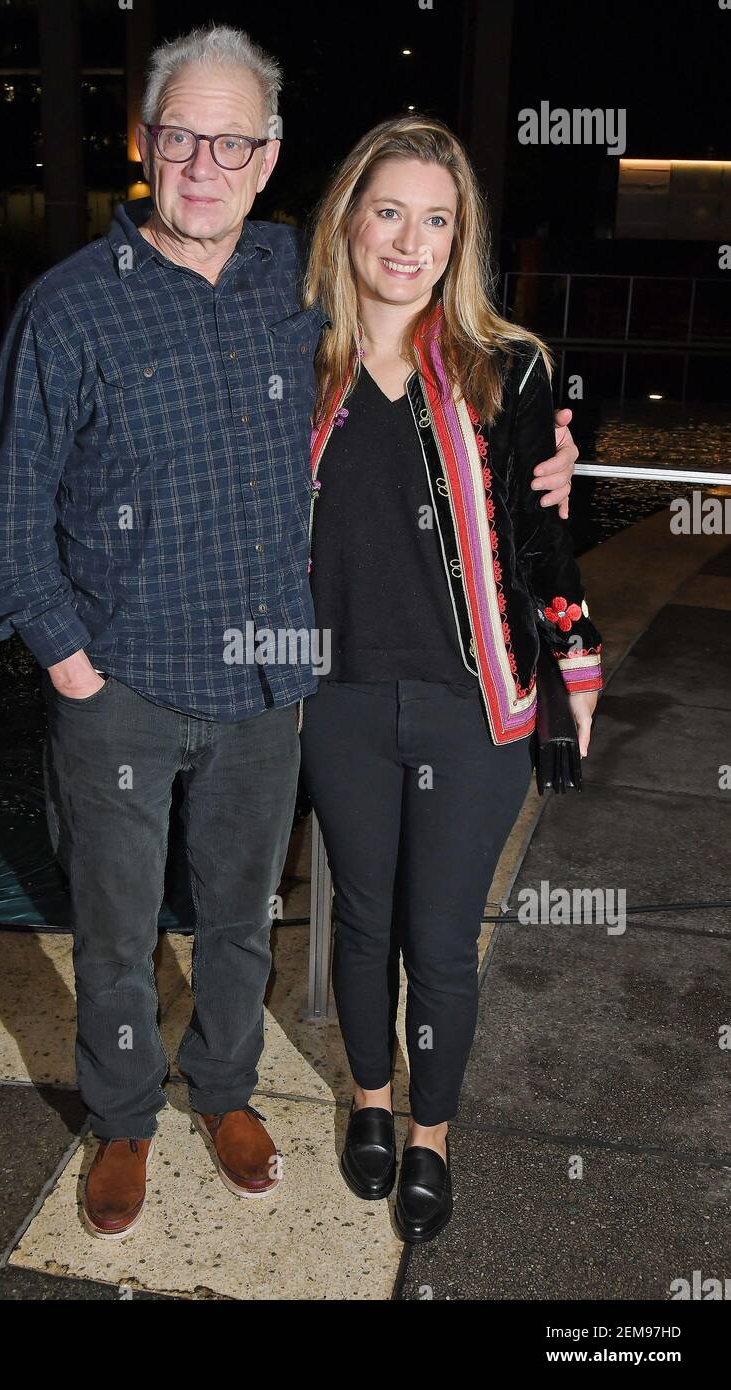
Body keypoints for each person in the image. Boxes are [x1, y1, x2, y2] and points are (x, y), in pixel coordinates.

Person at [0, 26, 579, 1241]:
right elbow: (8, 523)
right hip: (123, 686)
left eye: (233, 141)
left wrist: (551, 447)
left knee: (243, 918)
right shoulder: (67, 309)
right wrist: (73, 664)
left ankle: (229, 1092)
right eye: (181, 136)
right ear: (145, 145)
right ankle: (126, 1117)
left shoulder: (291, 283)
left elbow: (453, 347)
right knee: (116, 925)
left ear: (269, 156)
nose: (205, 163)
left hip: (269, 687)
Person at [299, 115, 603, 1243]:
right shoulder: (298, 361)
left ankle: (432, 1134)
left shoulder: (507, 367)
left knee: (441, 938)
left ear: (459, 238)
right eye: (390, 210)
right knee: (363, 922)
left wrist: (570, 678)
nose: (409, 240)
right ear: (349, 216)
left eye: (437, 219)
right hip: (335, 701)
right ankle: (369, 1108)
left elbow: (544, 538)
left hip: (474, 705)